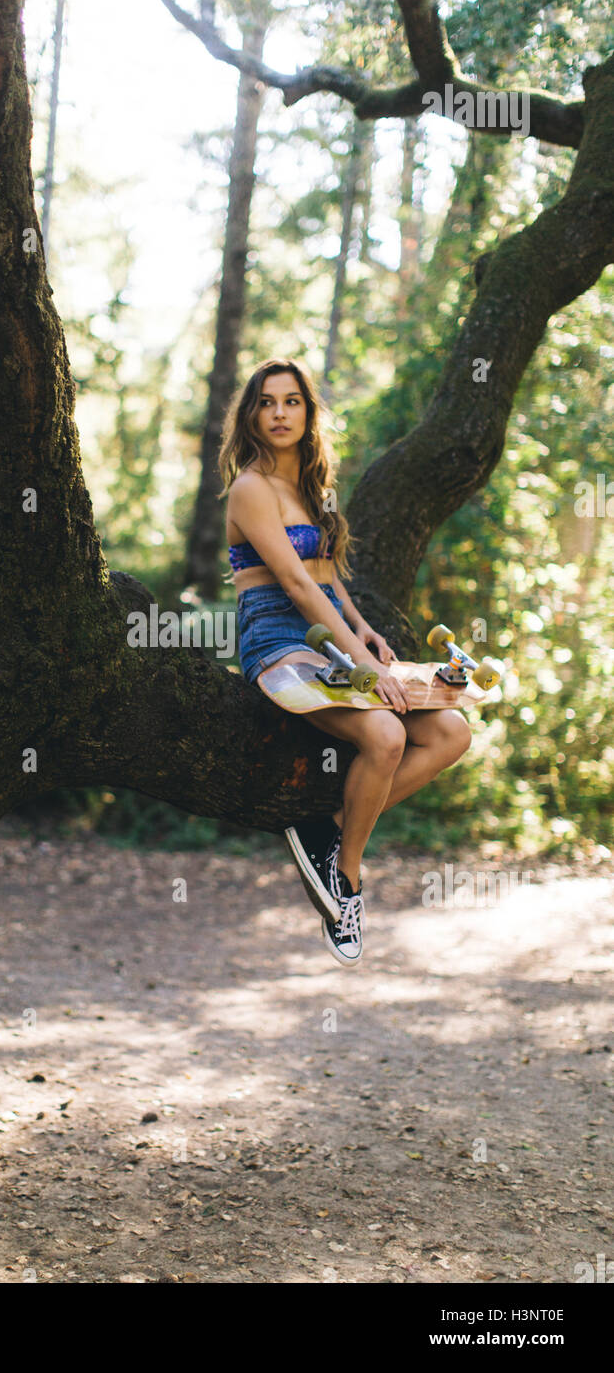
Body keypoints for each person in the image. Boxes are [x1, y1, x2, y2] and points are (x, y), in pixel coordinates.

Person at [219, 357, 472, 966]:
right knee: (385, 732)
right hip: (279, 641)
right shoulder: (251, 487)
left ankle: (324, 830)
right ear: (252, 415)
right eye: (267, 402)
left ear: (308, 413)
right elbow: (295, 586)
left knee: (452, 732)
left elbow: (327, 579)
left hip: (332, 636)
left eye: (292, 401)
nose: (279, 413)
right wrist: (368, 667)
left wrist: (367, 633)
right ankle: (347, 877)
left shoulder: (313, 489)